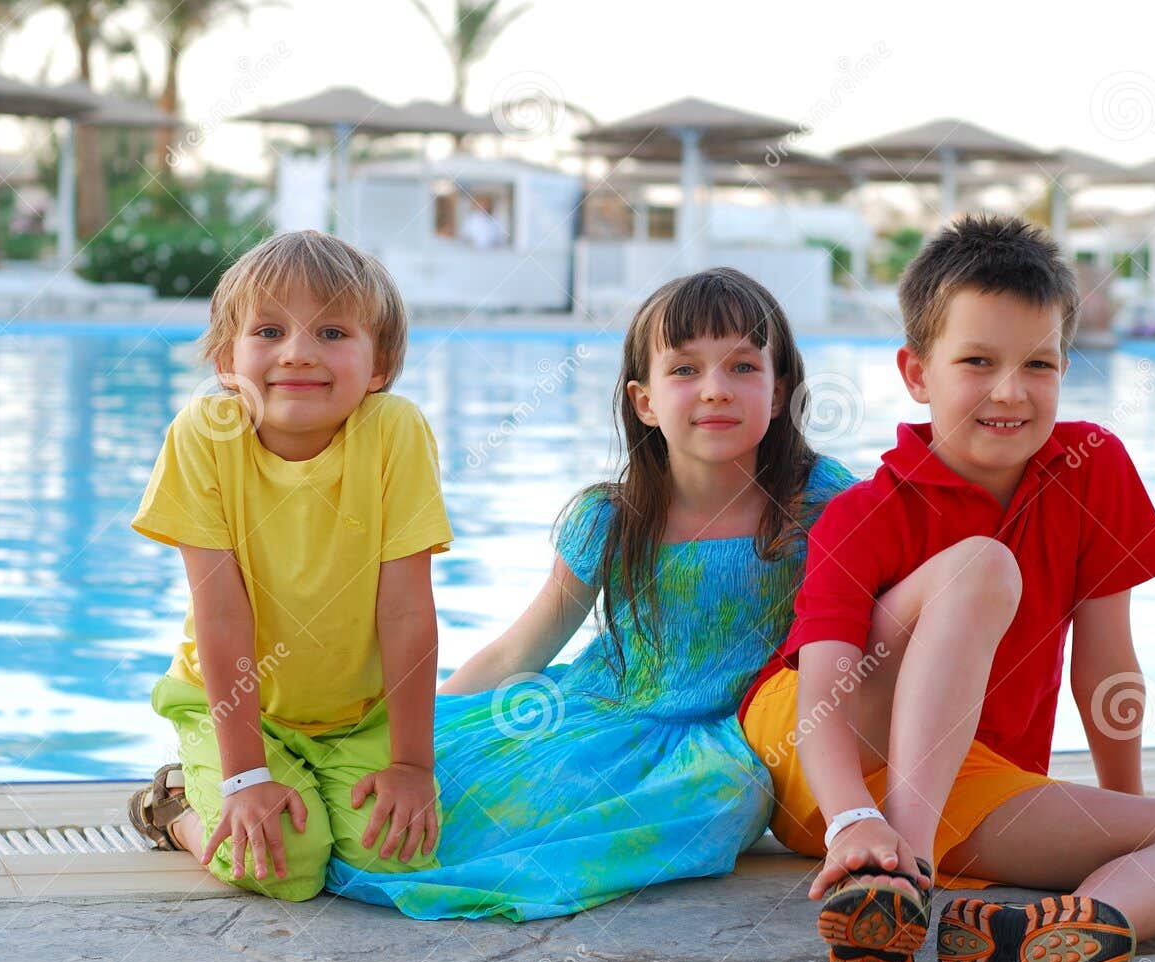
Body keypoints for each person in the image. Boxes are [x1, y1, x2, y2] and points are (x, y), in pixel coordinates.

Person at [738, 214, 1155, 962]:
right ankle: (902, 871)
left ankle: (1056, 932)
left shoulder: (1093, 468)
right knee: (982, 567)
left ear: (1065, 367)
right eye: (978, 361)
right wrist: (850, 819)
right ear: (917, 372)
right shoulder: (862, 515)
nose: (1010, 390)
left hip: (967, 776)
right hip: (819, 755)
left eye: (1037, 364)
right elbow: (822, 687)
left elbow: (1107, 667)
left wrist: (1132, 810)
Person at [327, 267, 856, 920]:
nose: (716, 389)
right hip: (603, 712)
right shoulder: (611, 518)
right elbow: (521, 648)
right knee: (473, 786)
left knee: (730, 796)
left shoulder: (818, 502)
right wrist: (425, 730)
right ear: (644, 401)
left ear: (778, 393)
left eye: (743, 367)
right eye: (685, 370)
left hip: (727, 737)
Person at [127, 229, 453, 902]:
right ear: (227, 358)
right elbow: (222, 616)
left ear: (380, 364)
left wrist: (411, 765)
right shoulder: (204, 435)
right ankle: (175, 809)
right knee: (283, 867)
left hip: (356, 715)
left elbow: (405, 609)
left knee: (393, 859)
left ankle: (317, 786)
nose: (298, 352)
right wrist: (246, 778)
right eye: (269, 331)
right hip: (235, 708)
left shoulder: (395, 431)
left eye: (332, 333)